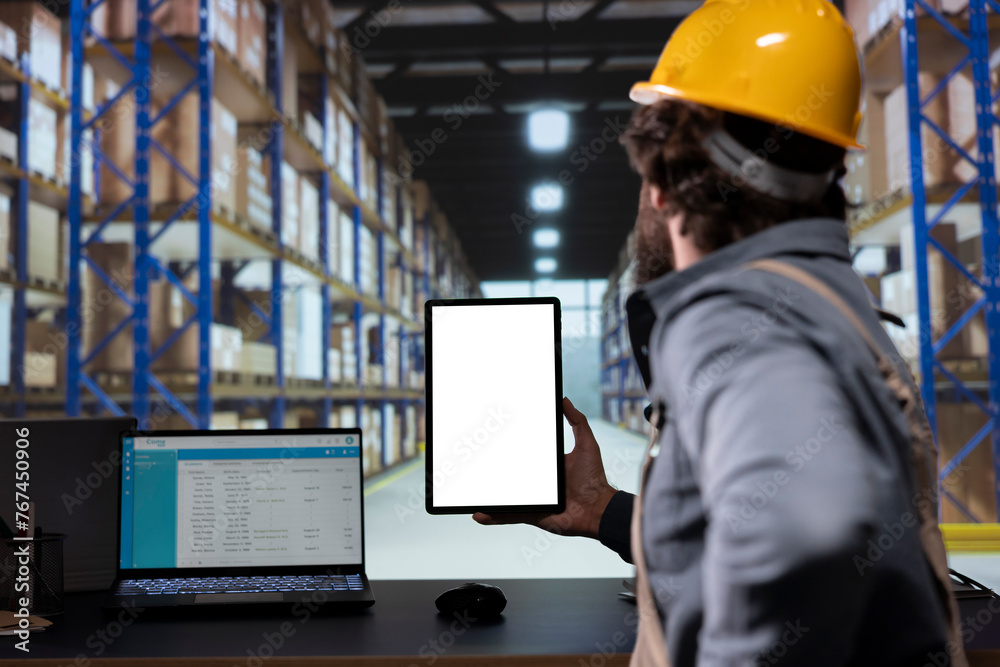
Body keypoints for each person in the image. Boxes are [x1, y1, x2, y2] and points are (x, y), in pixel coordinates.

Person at [474, 1, 969, 664]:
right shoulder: (829, 303)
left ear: (663, 182)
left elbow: (807, 526)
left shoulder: (737, 315)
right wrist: (601, 511)